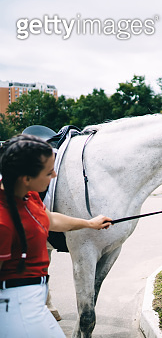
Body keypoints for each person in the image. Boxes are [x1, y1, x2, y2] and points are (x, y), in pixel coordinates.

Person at [0, 134, 112, 338]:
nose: (55, 176)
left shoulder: (27, 194)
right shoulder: (3, 222)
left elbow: (49, 219)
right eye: (49, 172)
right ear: (26, 178)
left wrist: (89, 223)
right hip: (16, 305)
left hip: (34, 299)